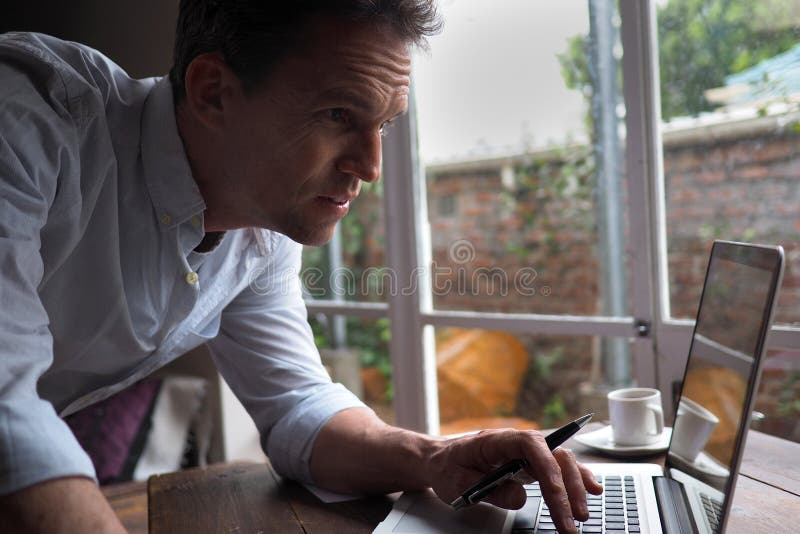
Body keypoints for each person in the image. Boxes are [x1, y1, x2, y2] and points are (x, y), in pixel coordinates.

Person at [0, 1, 601, 532]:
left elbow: (296, 406)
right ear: (212, 91)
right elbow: (9, 408)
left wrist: (434, 456)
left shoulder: (259, 227)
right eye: (340, 114)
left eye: (386, 124)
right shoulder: (32, 114)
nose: (371, 166)